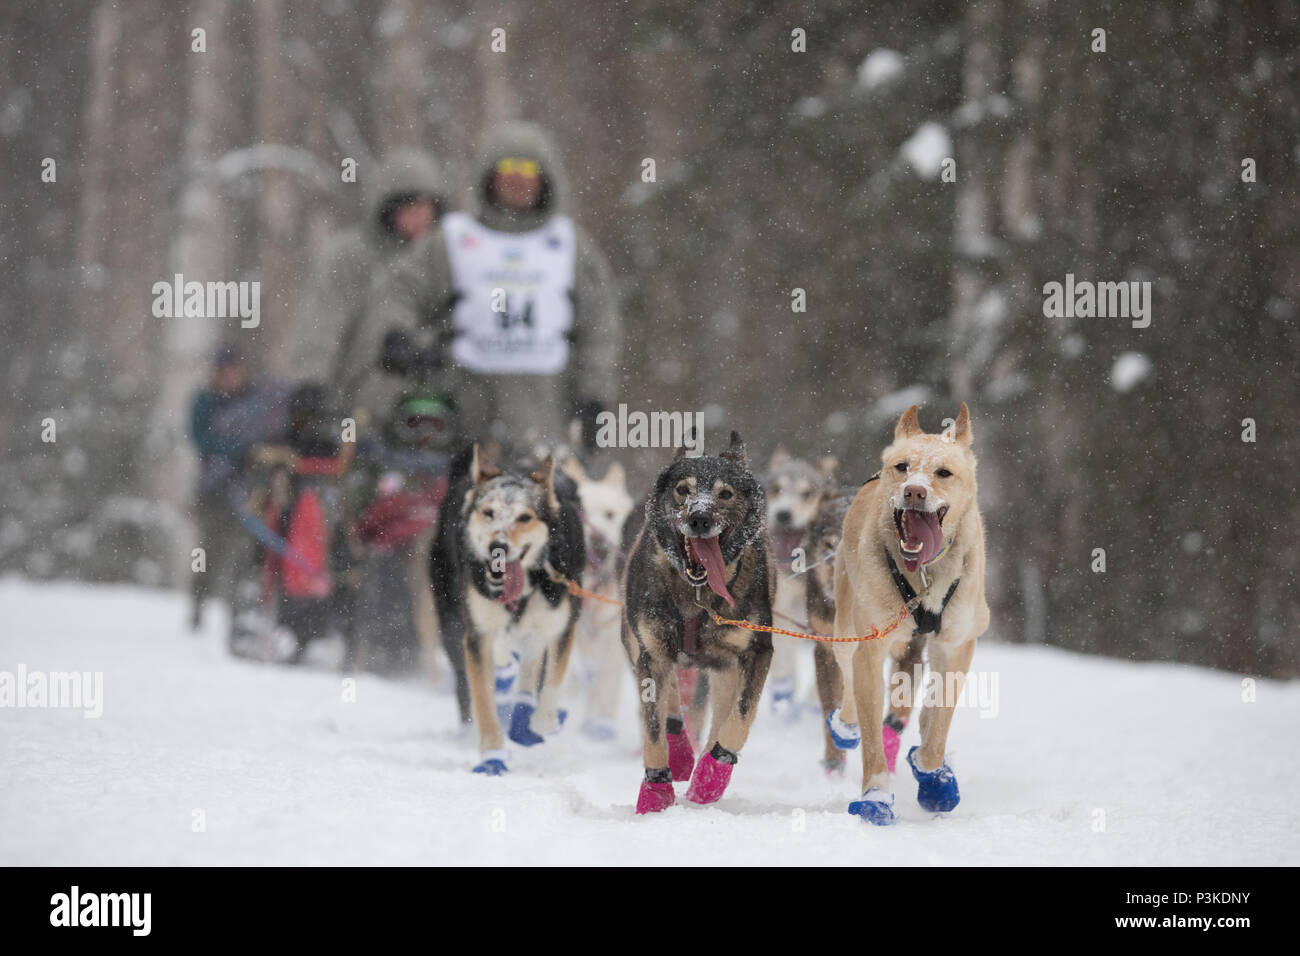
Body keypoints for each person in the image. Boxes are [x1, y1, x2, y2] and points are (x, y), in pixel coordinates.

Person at [368, 121, 623, 450]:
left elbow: (600, 325)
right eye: (508, 168)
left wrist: (595, 396)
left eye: (528, 169)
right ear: (489, 175)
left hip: (547, 415)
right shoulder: (454, 239)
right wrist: (396, 335)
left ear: (544, 179)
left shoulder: (569, 245)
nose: (518, 179)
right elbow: (400, 290)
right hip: (464, 415)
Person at [290, 147, 448, 427]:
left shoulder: (447, 260)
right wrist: (310, 383)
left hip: (436, 411)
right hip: (357, 407)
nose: (417, 217)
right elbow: (323, 322)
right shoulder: (352, 256)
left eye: (424, 207)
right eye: (407, 207)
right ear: (388, 208)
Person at [188, 345, 288, 629]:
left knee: (242, 553)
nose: (230, 378)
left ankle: (237, 613)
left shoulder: (253, 401)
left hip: (246, 492)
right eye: (225, 372)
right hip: (213, 489)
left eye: (235, 372)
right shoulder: (205, 402)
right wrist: (239, 451)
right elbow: (200, 439)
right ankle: (198, 606)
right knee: (208, 552)